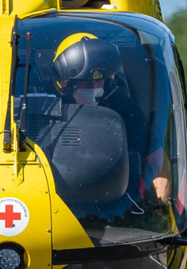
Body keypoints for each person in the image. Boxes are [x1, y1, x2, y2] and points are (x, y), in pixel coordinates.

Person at [52, 32, 170, 207]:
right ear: (66, 83)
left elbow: (157, 159)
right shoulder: (49, 109)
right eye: (84, 82)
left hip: (117, 205)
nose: (93, 87)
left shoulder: (124, 109)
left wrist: (160, 206)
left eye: (98, 80)